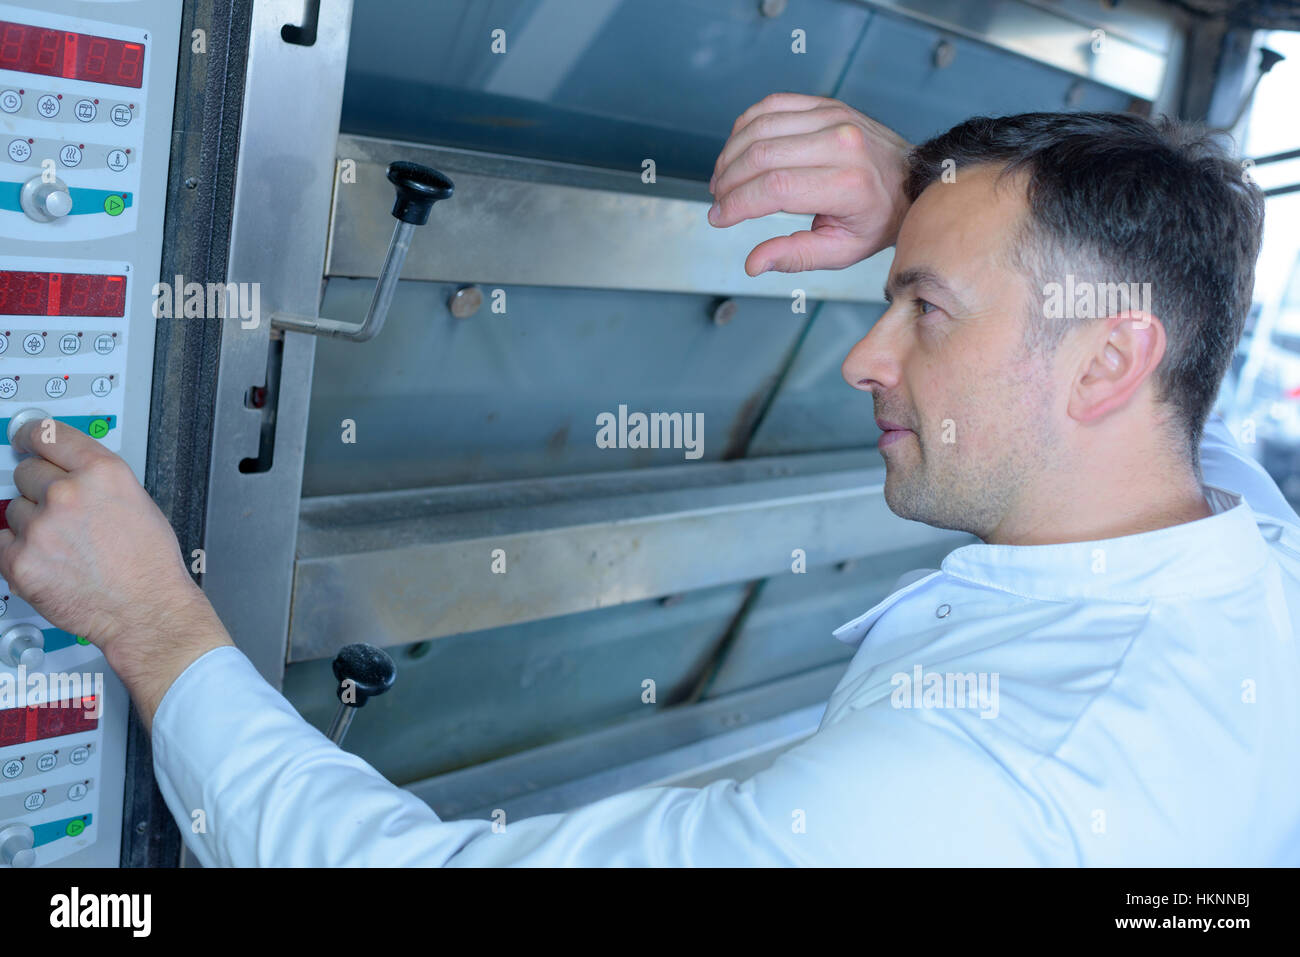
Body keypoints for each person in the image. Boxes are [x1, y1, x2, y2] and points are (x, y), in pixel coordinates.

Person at [2, 94, 1297, 865]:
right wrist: (932, 195)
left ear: (1109, 360)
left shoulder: (967, 789)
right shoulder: (1253, 563)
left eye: (925, 305)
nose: (863, 356)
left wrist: (153, 628)